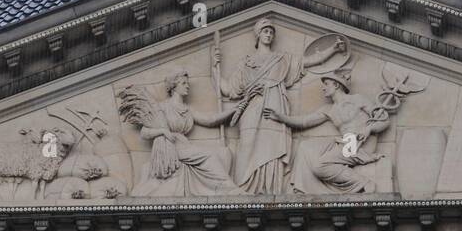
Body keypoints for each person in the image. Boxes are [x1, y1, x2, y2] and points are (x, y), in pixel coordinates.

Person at [216, 17, 346, 194]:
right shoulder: (245, 63)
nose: (268, 34)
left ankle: (270, 190)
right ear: (258, 35)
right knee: (246, 147)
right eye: (265, 31)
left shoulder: (281, 59)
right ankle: (244, 188)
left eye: (271, 32)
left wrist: (333, 49)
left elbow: (309, 61)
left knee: (271, 148)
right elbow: (228, 89)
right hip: (251, 108)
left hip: (275, 107)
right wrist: (214, 69)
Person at [264, 68, 385, 194]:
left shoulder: (358, 99)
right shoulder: (329, 109)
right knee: (305, 146)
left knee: (320, 166)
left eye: (326, 84)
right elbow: (304, 121)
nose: (323, 88)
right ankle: (302, 189)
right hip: (345, 143)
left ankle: (363, 183)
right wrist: (281, 117)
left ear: (336, 85)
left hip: (362, 144)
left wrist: (369, 129)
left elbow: (383, 120)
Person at [130, 71, 242, 197]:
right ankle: (229, 187)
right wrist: (162, 131)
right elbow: (144, 132)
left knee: (223, 153)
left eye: (187, 83)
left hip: (184, 145)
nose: (187, 86)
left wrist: (234, 109)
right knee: (209, 155)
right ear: (173, 86)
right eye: (183, 83)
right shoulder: (162, 108)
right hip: (171, 147)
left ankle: (219, 189)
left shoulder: (187, 109)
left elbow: (210, 119)